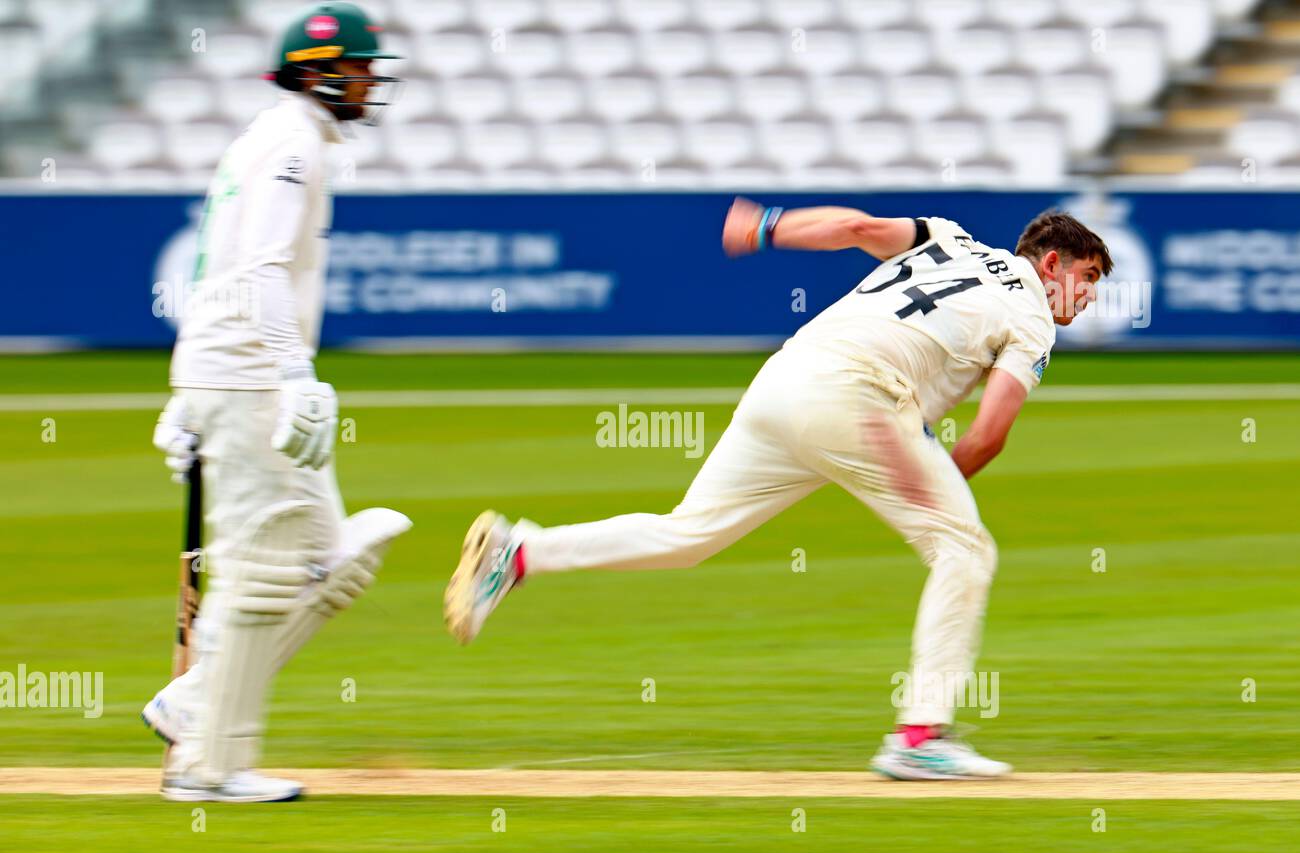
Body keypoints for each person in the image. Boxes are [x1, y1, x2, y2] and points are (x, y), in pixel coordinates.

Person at [443, 199, 1112, 780]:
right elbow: (989, 434)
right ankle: (921, 738)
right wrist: (925, 481)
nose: (1086, 297)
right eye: (1085, 278)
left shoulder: (948, 236)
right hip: (861, 402)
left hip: (786, 377)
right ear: (1048, 263)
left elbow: (853, 225)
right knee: (964, 549)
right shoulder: (1030, 314)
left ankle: (519, 552)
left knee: (690, 533)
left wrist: (767, 226)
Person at [145, 2, 410, 802]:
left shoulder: (274, 137)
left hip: (229, 372)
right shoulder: (291, 144)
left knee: (338, 557)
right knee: (269, 576)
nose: (370, 81)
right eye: (360, 68)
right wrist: (291, 374)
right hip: (251, 378)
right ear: (324, 74)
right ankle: (209, 764)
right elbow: (256, 268)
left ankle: (193, 704)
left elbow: (213, 264)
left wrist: (187, 386)